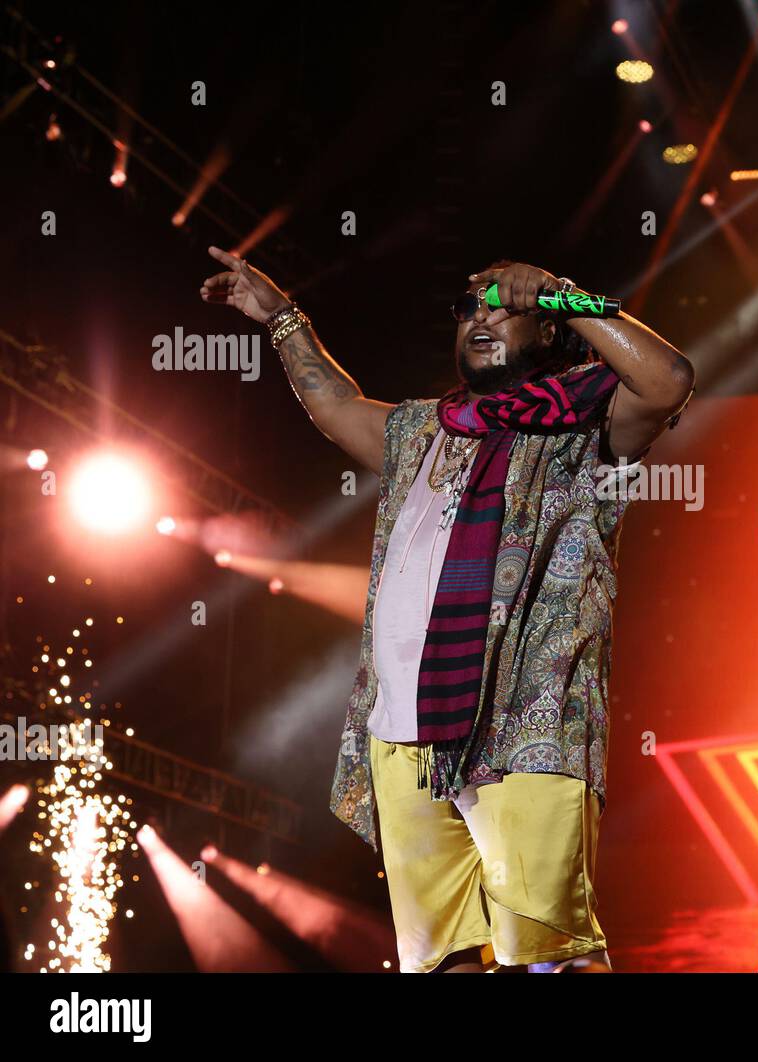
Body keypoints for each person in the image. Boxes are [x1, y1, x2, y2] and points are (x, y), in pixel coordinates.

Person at [200, 249, 693, 972]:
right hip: (403, 730)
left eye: (502, 303)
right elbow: (336, 403)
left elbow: (669, 378)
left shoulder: (587, 419)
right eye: (468, 307)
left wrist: (564, 296)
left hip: (527, 722)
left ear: (548, 329)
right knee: (443, 961)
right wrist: (282, 318)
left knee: (554, 954)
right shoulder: (420, 431)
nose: (481, 316)